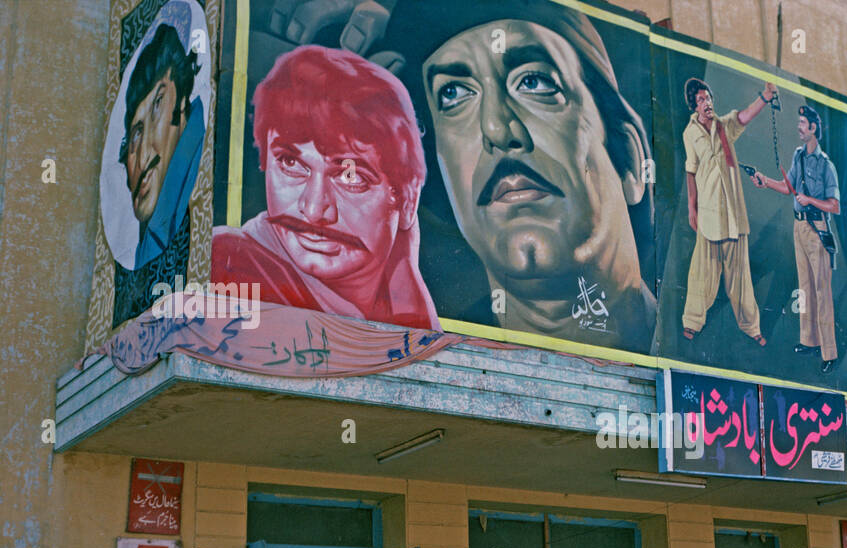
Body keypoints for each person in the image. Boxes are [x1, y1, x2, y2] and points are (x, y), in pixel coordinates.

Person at [420, 6, 655, 351]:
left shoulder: (711, 349)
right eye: (453, 94)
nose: (496, 129)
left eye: (534, 81)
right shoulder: (434, 363)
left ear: (632, 159)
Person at [212, 45, 438, 330]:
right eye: (290, 163)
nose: (314, 208)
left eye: (351, 176)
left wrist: (404, 278)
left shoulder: (394, 297)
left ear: (407, 202)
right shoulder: (227, 263)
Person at [680, 77, 778, 345]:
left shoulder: (725, 126)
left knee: (741, 276)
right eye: (701, 100)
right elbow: (691, 170)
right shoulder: (690, 134)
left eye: (708, 97)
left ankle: (752, 327)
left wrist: (765, 97)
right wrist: (692, 208)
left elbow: (745, 116)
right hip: (709, 213)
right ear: (694, 105)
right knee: (702, 273)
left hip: (733, 214)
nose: (707, 102)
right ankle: (692, 322)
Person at [750, 103, 840, 373]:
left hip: (817, 227)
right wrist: (765, 180)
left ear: (813, 129)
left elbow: (834, 205)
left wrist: (810, 199)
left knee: (823, 292)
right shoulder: (798, 156)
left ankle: (829, 353)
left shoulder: (826, 166)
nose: (799, 127)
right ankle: (809, 341)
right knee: (805, 287)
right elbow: (788, 187)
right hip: (798, 227)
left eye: (803, 123)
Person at [120, 20, 205, 267]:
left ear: (181, 106)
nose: (144, 153)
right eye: (136, 133)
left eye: (158, 104)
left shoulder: (201, 168)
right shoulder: (148, 242)